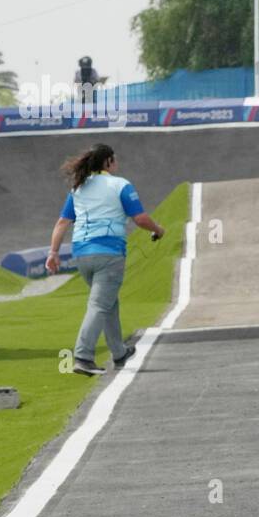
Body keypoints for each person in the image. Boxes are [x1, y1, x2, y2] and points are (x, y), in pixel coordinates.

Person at [47, 144, 165, 375]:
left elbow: (62, 223)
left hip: (81, 254)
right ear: (108, 162)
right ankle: (83, 356)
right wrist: (158, 229)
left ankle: (119, 352)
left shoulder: (78, 188)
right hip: (109, 253)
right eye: (115, 160)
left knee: (108, 302)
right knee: (100, 304)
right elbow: (140, 218)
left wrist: (53, 253)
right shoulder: (120, 184)